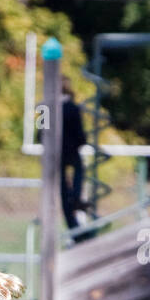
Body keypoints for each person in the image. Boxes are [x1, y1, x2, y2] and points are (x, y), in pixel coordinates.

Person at [61, 81, 87, 230]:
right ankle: (76, 197)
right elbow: (80, 136)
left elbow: (42, 132)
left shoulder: (44, 107)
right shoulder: (72, 108)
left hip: (55, 156)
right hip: (70, 151)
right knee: (78, 170)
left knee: (63, 191)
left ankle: (73, 225)